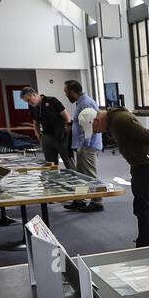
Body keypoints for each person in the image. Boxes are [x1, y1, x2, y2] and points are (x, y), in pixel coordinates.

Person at [91, 108, 149, 247]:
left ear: (97, 120)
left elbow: (148, 135)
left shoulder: (120, 120)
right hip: (140, 162)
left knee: (143, 205)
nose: (98, 133)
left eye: (97, 130)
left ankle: (145, 244)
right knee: (146, 202)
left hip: (146, 163)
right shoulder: (114, 120)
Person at [64, 80, 103, 212]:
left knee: (90, 175)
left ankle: (97, 202)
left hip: (87, 145)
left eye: (66, 92)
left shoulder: (86, 103)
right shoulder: (81, 102)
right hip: (82, 145)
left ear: (73, 92)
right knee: (80, 176)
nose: (65, 94)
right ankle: (79, 200)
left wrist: (84, 146)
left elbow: (92, 126)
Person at [20, 86, 70, 166]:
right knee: (51, 165)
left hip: (60, 136)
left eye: (29, 100)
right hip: (46, 137)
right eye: (27, 102)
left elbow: (67, 117)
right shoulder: (32, 107)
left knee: (68, 162)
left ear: (34, 94)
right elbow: (35, 123)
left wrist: (68, 133)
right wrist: (39, 136)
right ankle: (54, 178)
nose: (29, 103)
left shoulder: (52, 100)